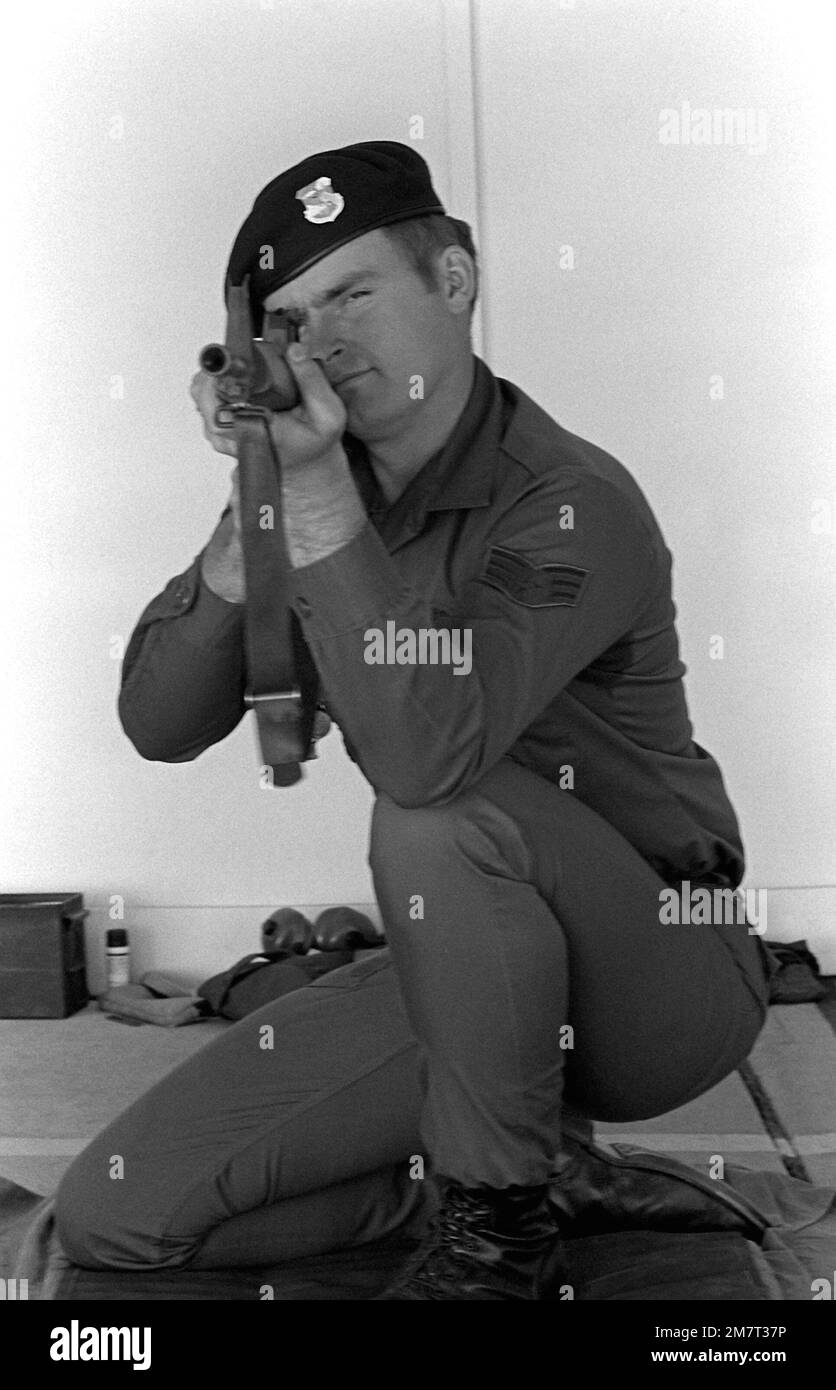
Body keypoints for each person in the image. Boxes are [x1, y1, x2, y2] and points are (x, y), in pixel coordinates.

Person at [54, 141, 776, 1300]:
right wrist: (257, 515)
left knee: (438, 817)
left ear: (453, 281)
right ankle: (522, 1177)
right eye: (288, 320)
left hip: (656, 975)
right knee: (117, 1217)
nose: (326, 341)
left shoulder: (568, 500)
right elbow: (158, 720)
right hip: (470, 962)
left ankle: (490, 1258)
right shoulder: (315, 487)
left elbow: (427, 759)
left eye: (354, 292)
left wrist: (315, 496)